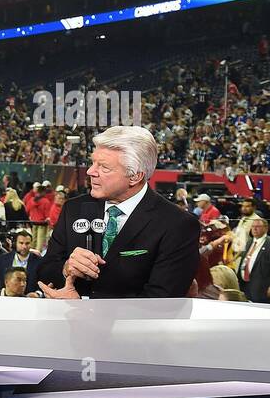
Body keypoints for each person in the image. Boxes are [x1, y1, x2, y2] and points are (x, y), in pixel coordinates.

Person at [34, 126, 199, 299]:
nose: (91, 171)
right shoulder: (74, 208)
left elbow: (160, 302)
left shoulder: (177, 225)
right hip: (67, 324)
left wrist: (85, 309)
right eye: (93, 162)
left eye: (104, 167)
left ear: (135, 176)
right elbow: (44, 271)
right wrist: (66, 268)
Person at [236, 217, 270, 304]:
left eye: (258, 226)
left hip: (262, 288)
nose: (254, 228)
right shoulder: (249, 242)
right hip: (245, 285)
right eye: (253, 226)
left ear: (266, 228)